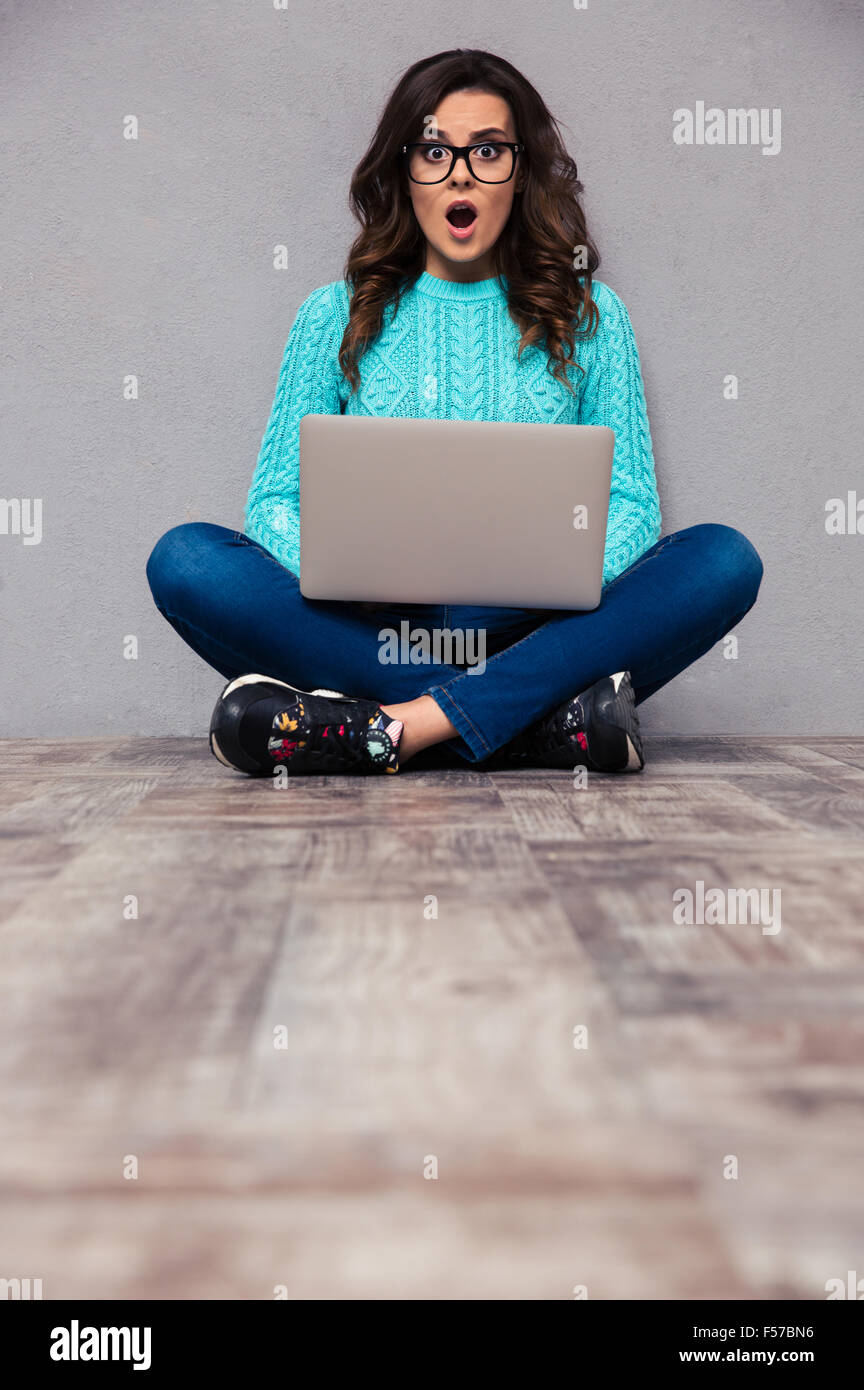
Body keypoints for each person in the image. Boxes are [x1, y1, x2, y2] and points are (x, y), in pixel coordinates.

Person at [146, 48, 763, 778]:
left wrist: (552, 579)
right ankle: (537, 726)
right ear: (404, 170)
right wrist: (353, 574)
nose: (461, 173)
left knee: (723, 559)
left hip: (536, 630)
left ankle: (388, 727)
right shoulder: (332, 314)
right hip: (376, 631)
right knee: (185, 558)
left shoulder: (593, 317)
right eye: (435, 150)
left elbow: (631, 503)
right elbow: (276, 502)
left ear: (522, 171)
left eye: (488, 151)